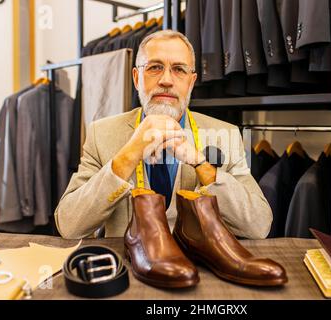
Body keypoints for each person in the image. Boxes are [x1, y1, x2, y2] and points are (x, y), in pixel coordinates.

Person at [54, 30, 272, 240]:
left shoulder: (227, 134)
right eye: (155, 67)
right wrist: (128, 156)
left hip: (200, 271)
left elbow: (258, 225)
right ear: (137, 77)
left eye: (179, 69)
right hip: (131, 269)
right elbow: (69, 224)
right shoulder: (101, 134)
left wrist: (202, 165)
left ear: (191, 82)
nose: (166, 80)